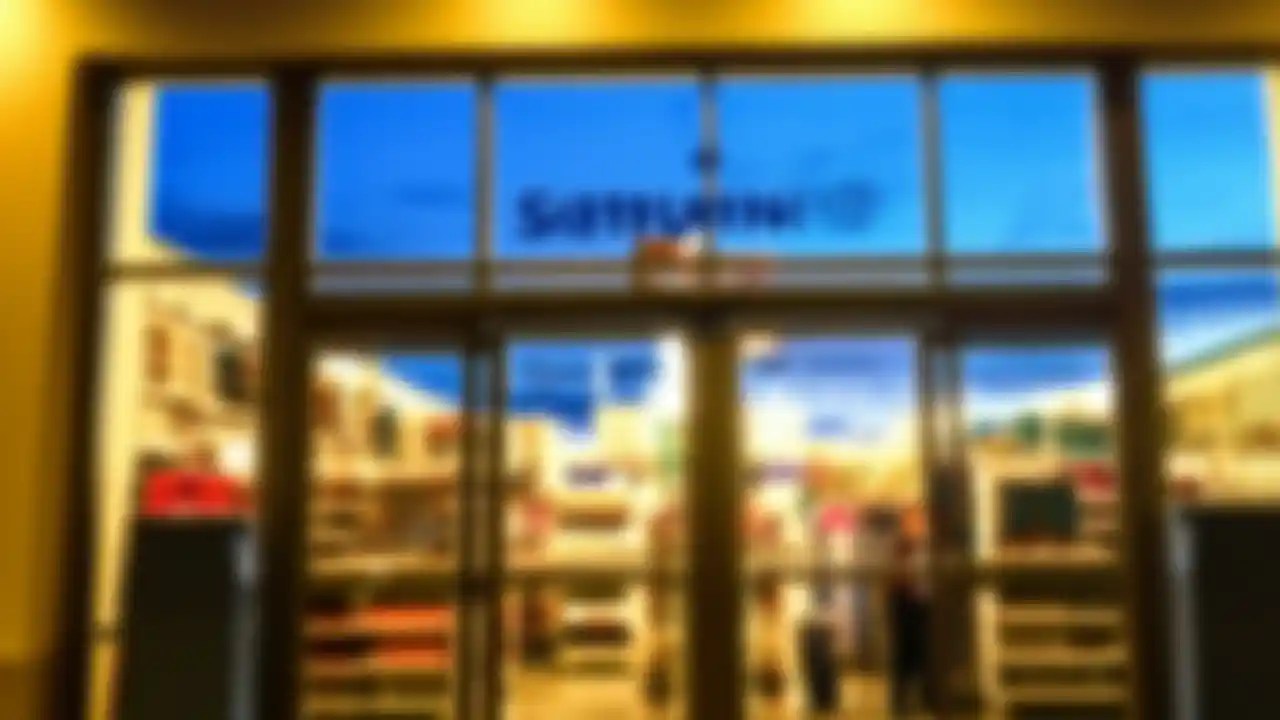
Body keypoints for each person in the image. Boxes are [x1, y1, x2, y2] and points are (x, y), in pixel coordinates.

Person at [888, 524, 933, 716]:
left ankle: (917, 701)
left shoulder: (921, 556)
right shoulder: (901, 560)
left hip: (918, 610)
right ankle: (904, 703)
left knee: (917, 658)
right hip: (909, 610)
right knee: (907, 659)